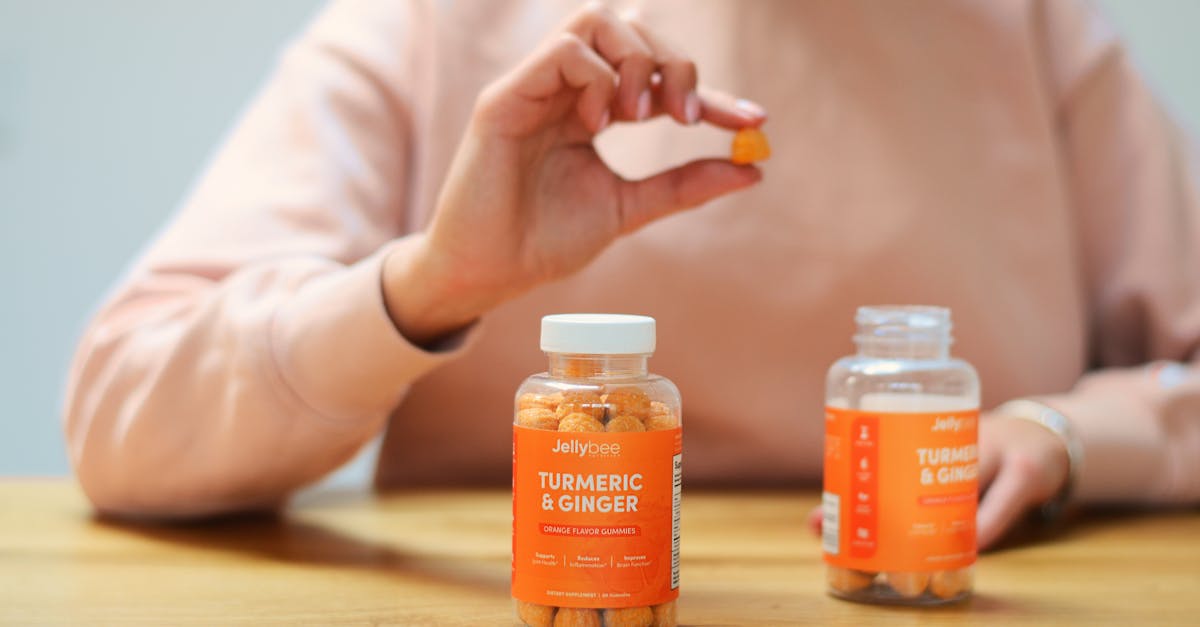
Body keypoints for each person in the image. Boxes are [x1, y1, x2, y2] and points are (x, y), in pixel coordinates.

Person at [64, 0, 1199, 550]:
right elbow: (124, 414)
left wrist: (1066, 433)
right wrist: (428, 287)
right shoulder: (428, 23)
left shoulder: (1025, 27)